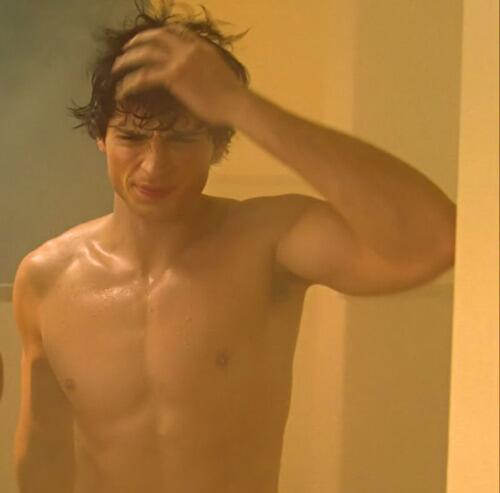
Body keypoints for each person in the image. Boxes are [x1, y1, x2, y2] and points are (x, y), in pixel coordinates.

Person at [12, 2, 456, 493]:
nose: (154, 166)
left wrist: (239, 105)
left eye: (183, 139)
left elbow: (434, 241)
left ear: (219, 144)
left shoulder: (269, 241)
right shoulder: (45, 277)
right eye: (132, 137)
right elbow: (43, 453)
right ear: (100, 137)